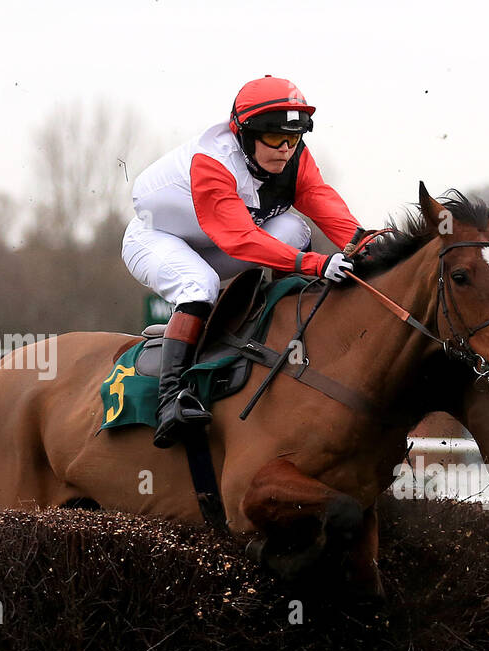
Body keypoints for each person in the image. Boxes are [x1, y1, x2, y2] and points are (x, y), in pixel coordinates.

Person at [122, 76, 366, 448]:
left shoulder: (294, 157)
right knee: (199, 284)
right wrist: (317, 264)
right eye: (273, 137)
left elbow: (323, 203)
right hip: (157, 240)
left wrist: (367, 242)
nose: (285, 148)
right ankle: (170, 401)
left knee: (293, 229)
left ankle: (282, 335)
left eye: (294, 137)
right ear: (245, 133)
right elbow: (242, 240)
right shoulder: (213, 162)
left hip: (222, 241)